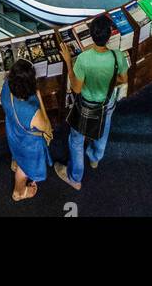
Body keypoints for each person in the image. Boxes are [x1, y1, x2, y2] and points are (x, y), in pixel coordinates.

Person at [55, 13, 128, 191]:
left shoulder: (84, 60)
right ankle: (95, 158)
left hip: (87, 106)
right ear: (109, 35)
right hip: (107, 104)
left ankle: (75, 177)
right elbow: (123, 79)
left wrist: (69, 64)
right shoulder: (117, 56)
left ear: (91, 35)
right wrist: (107, 85)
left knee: (76, 142)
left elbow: (76, 88)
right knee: (103, 130)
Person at [0, 56, 53, 202]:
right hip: (28, 145)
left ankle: (15, 162)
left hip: (14, 132)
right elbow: (46, 126)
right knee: (24, 170)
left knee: (17, 156)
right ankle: (19, 192)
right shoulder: (31, 111)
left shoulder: (6, 87)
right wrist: (39, 97)